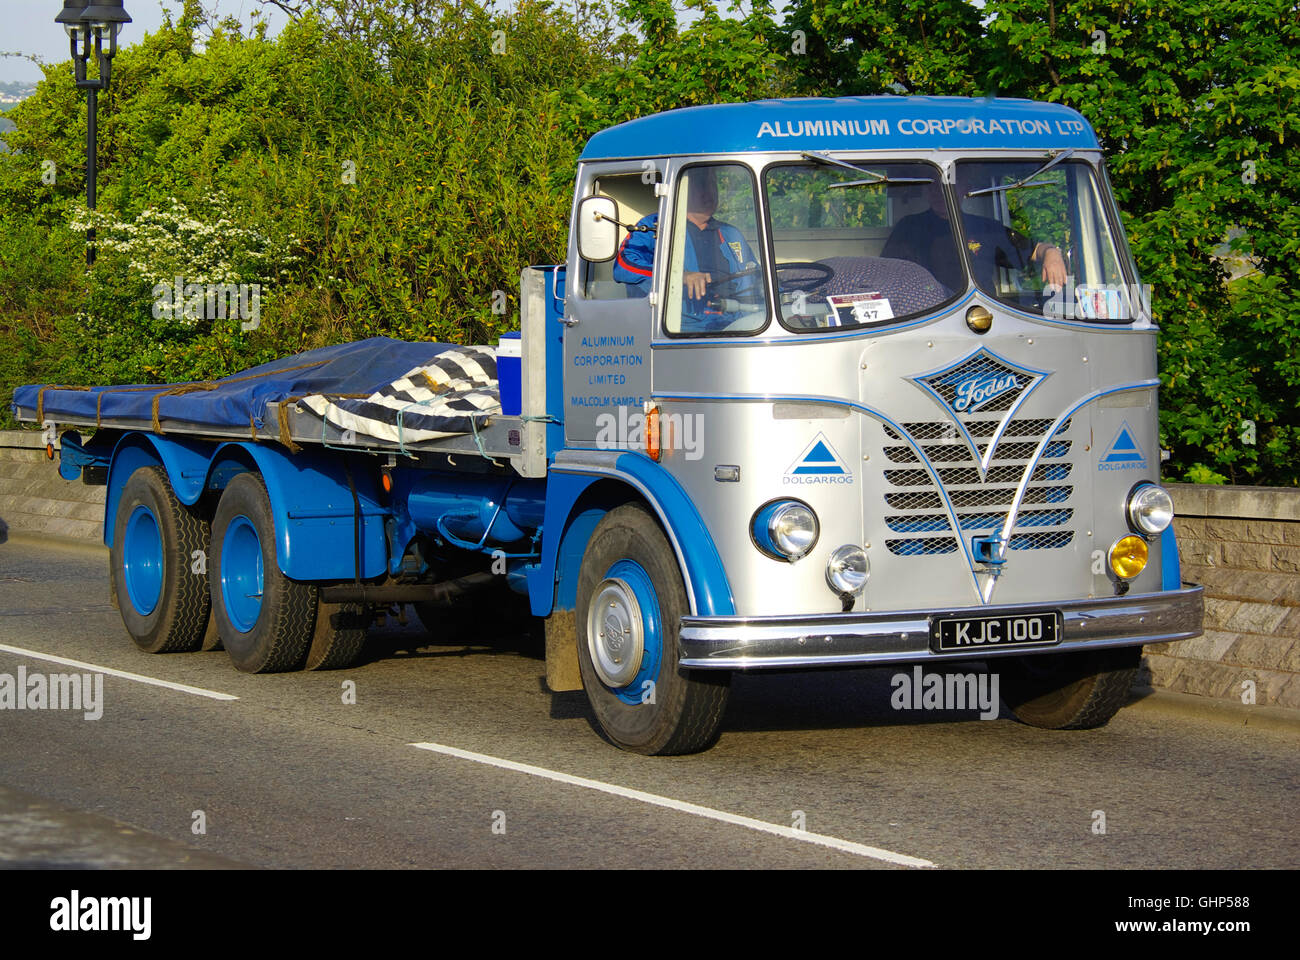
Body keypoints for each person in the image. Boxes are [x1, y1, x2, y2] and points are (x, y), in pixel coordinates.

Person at [613, 168, 762, 331]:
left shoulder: (731, 233)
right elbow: (623, 266)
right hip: (679, 332)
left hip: (736, 328)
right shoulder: (655, 226)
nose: (709, 192)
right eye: (701, 184)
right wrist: (677, 276)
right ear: (682, 187)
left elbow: (756, 278)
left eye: (713, 184)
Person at [882, 180, 1067, 296]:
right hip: (929, 314)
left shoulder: (987, 228)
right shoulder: (909, 227)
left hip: (981, 313)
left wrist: (1052, 254)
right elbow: (889, 272)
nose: (940, 193)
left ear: (965, 189)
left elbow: (1033, 250)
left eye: (948, 187)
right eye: (934, 188)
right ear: (926, 192)